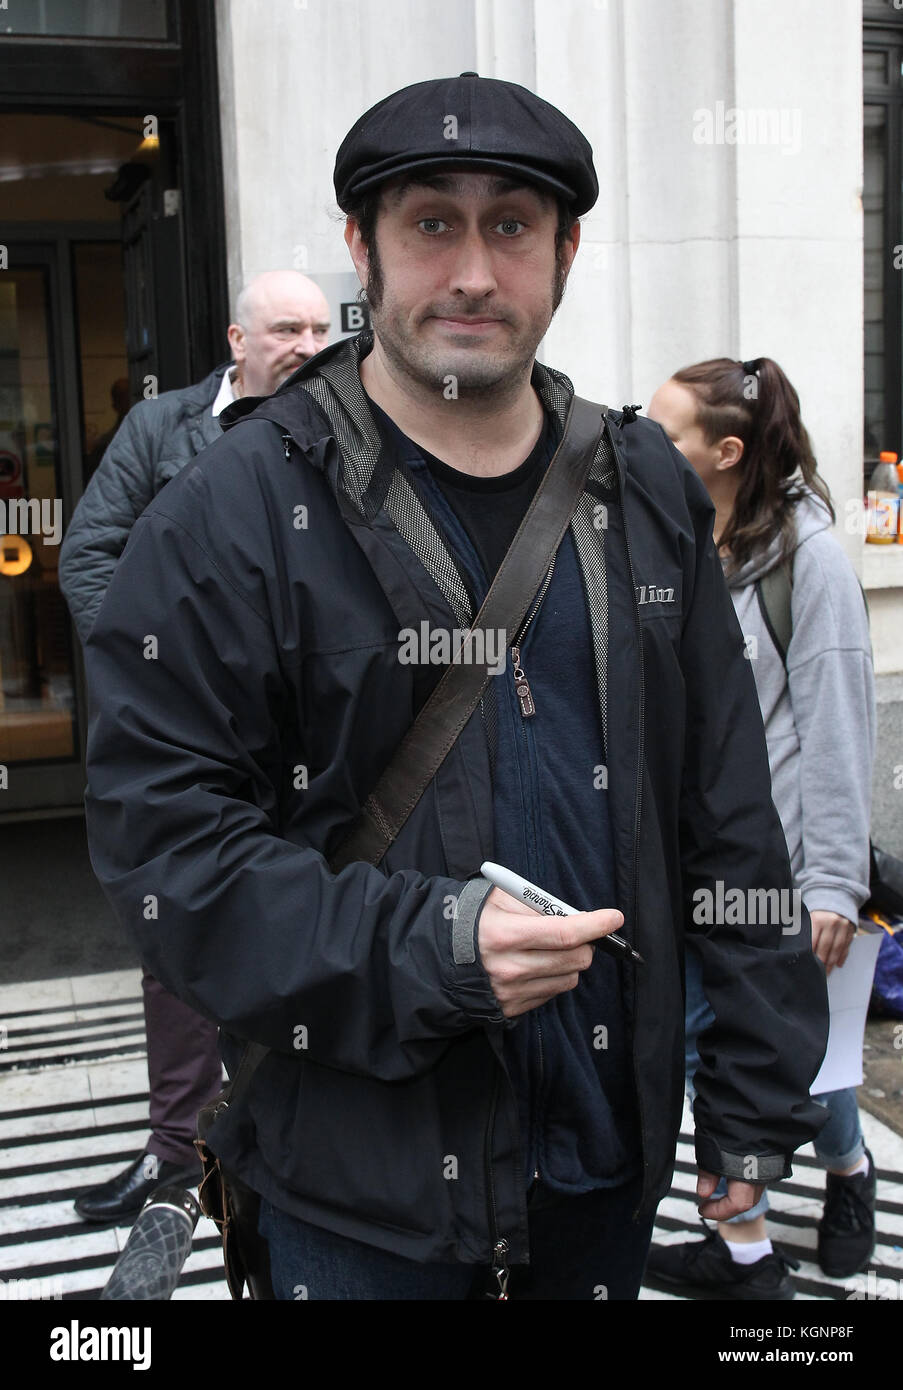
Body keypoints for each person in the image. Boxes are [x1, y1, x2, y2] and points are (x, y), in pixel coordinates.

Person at [82, 73, 829, 1298]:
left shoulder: (641, 482)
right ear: (360, 250)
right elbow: (167, 851)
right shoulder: (234, 510)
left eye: (512, 226)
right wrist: (427, 944)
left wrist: (753, 1087)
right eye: (433, 222)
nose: (475, 271)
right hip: (356, 1198)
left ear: (565, 250)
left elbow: (725, 805)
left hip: (602, 1163)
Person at [60, 270, 332, 1223]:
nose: (304, 342)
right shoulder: (162, 427)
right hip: (189, 733)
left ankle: (294, 1138)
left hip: (310, 734)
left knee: (312, 918)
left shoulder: (351, 422)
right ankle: (177, 1156)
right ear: (237, 340)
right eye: (284, 328)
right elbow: (88, 553)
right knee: (173, 932)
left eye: (317, 326)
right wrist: (157, 674)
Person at [644, 356, 876, 1298]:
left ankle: (851, 1176)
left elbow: (837, 731)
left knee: (807, 1077)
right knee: (715, 1058)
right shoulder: (679, 545)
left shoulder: (809, 565)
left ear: (725, 451)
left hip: (776, 882)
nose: (642, 449)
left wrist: (831, 884)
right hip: (687, 872)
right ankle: (741, 1254)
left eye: (665, 435)